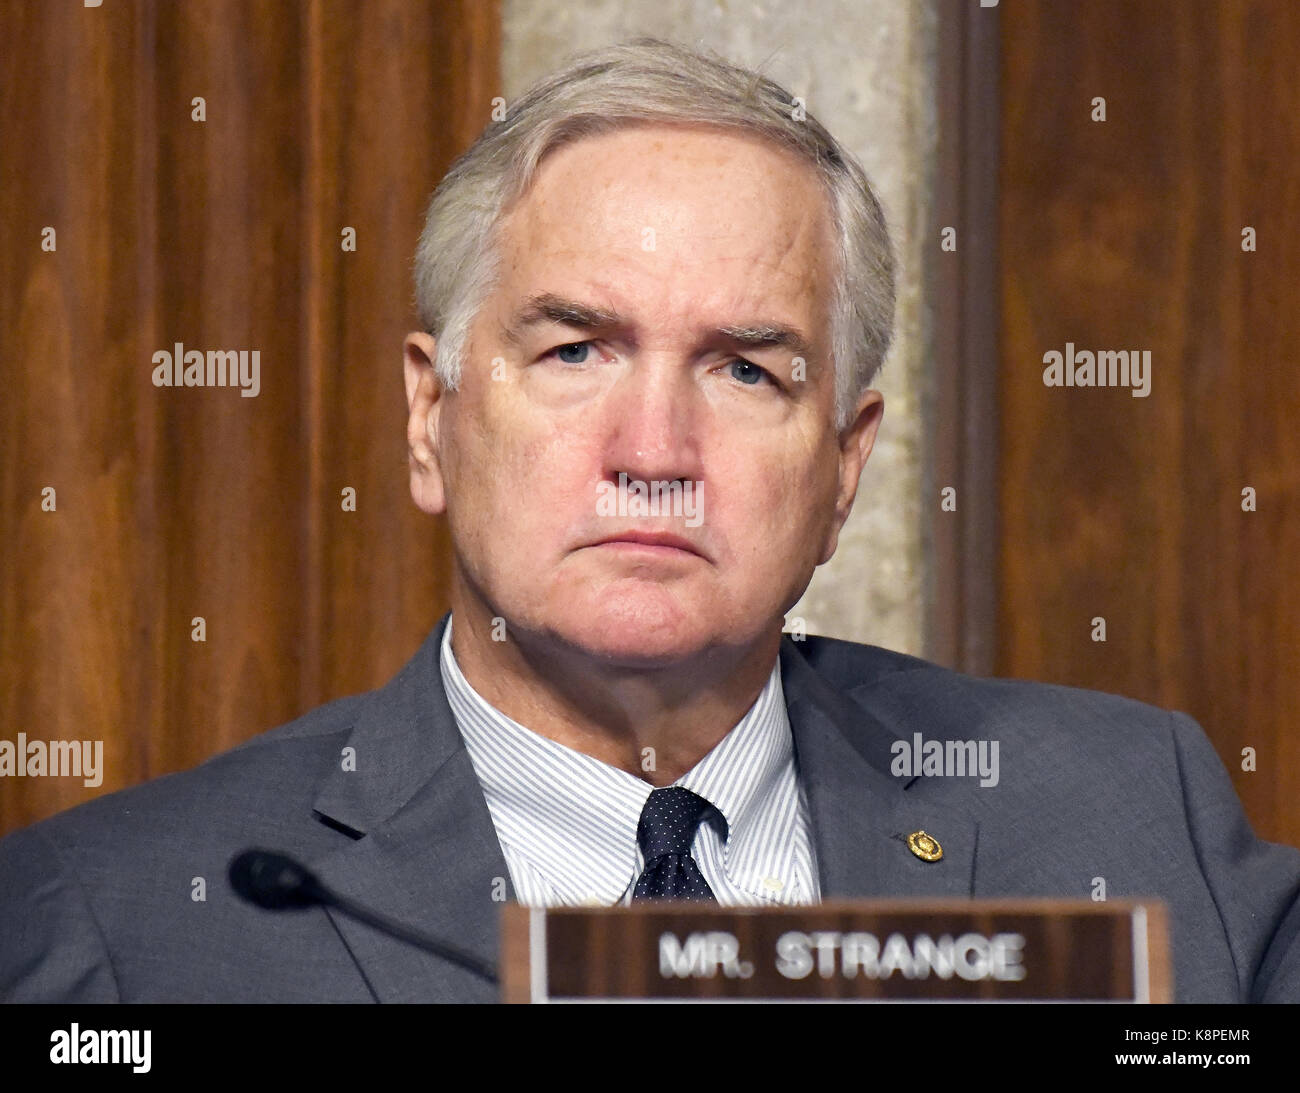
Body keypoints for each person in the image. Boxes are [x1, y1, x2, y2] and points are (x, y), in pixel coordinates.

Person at [2, 37, 1296, 1004]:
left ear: (844, 469)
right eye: (574, 351)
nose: (655, 453)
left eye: (747, 369)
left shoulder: (1130, 818)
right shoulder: (128, 924)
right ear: (429, 417)